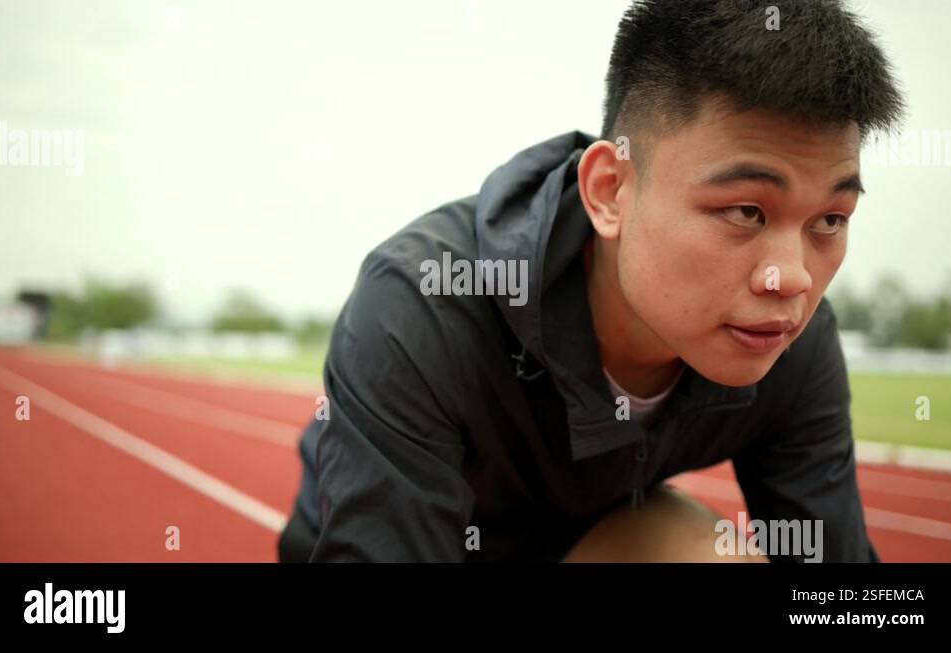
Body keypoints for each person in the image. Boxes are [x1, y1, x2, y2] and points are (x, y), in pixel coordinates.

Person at [279, 0, 903, 562]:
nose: (790, 278)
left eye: (829, 219)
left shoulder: (791, 338)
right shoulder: (425, 303)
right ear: (610, 191)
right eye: (746, 211)